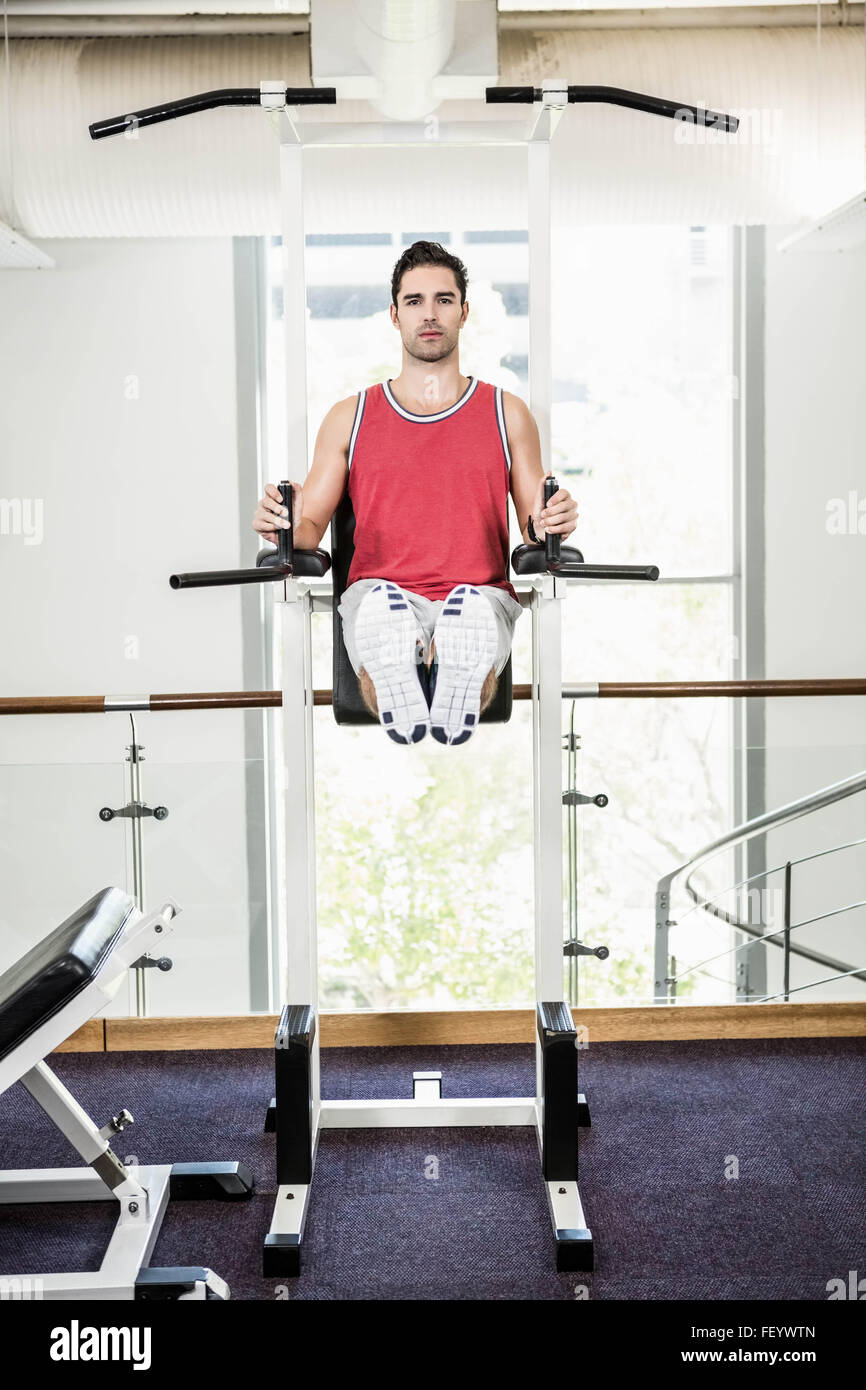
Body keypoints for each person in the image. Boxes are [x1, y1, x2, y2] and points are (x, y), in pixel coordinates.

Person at [253, 240, 579, 745]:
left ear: (464, 312)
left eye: (444, 300)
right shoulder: (350, 417)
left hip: (478, 593)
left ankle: (455, 673)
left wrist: (553, 516)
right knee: (384, 629)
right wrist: (281, 516)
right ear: (394, 313)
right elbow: (309, 527)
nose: (430, 314)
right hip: (379, 593)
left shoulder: (507, 412)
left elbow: (533, 516)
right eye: (415, 301)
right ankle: (403, 655)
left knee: (473, 627)